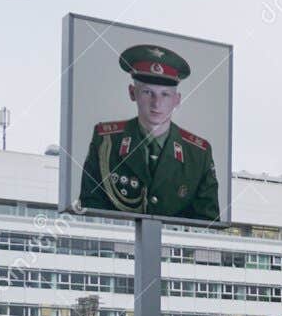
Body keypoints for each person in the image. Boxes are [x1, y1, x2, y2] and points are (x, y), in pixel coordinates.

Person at [78, 44, 221, 222]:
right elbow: (91, 208)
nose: (156, 104)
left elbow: (207, 222)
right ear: (132, 93)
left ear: (177, 100)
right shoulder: (106, 141)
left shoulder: (198, 153)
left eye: (165, 95)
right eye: (148, 92)